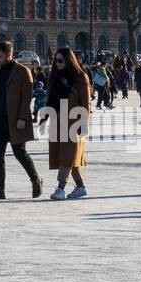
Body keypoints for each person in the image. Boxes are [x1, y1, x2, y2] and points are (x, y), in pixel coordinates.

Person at [0, 41, 42, 200]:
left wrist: (23, 117)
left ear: (9, 54)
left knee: (19, 153)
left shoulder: (23, 71)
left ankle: (36, 179)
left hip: (15, 119)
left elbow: (26, 97)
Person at [44, 46, 91, 199]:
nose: (57, 63)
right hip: (57, 120)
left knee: (67, 156)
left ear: (69, 61)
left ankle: (60, 189)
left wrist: (83, 124)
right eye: (55, 60)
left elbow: (86, 104)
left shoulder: (80, 77)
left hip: (73, 121)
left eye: (60, 60)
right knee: (70, 156)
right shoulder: (55, 77)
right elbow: (49, 99)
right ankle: (80, 186)